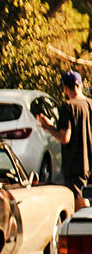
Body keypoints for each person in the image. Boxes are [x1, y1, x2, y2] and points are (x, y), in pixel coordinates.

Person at [39, 69, 91, 210]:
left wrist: (48, 126)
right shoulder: (90, 104)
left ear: (65, 88)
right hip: (90, 163)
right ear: (80, 85)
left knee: (81, 203)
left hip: (76, 165)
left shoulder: (68, 107)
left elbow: (64, 137)